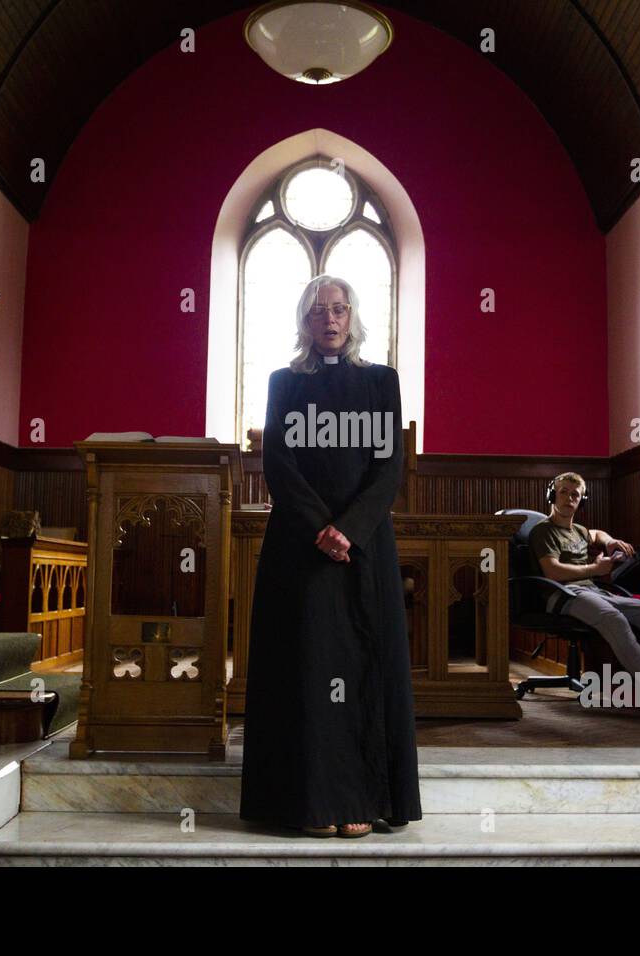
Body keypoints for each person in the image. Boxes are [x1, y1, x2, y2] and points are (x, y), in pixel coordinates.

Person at [238, 274, 422, 839]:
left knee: (362, 668)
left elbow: (389, 467)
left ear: (353, 317)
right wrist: (321, 528)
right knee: (309, 667)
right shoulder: (283, 383)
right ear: (305, 320)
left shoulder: (381, 381)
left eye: (339, 309)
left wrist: (350, 529)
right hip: (299, 546)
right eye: (319, 311)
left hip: (364, 548)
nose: (330, 320)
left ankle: (362, 797)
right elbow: (279, 467)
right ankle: (311, 802)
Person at [529, 473, 640, 681]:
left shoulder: (579, 530)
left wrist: (610, 541)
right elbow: (553, 571)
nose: (569, 498)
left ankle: (633, 682)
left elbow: (596, 534)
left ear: (582, 501)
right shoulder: (543, 531)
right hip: (564, 593)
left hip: (595, 592)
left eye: (575, 495)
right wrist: (594, 570)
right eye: (563, 492)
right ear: (552, 495)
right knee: (614, 619)